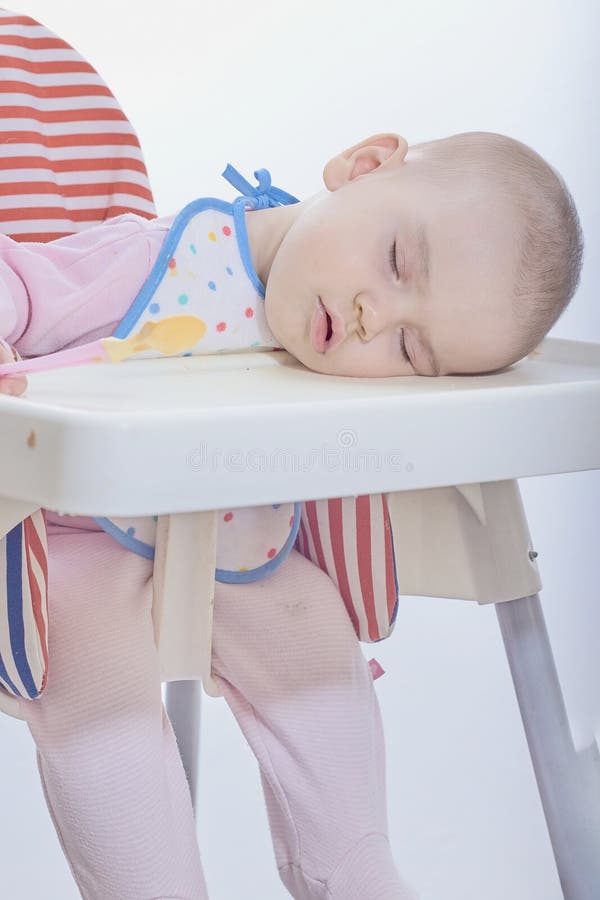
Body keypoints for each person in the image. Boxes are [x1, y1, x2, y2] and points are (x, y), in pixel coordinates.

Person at [0, 129, 584, 900]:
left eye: (412, 349)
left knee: (317, 647)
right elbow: (24, 279)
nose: (375, 318)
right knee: (104, 704)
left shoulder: (347, 350)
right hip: (72, 535)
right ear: (363, 166)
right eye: (398, 262)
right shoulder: (164, 257)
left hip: (242, 542)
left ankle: (355, 871)